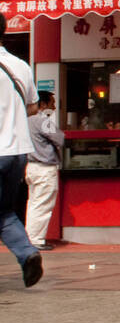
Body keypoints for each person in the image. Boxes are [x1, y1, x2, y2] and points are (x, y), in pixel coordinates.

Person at [0, 19, 42, 288]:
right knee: (3, 211)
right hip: (17, 152)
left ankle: (27, 254)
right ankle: (27, 254)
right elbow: (33, 107)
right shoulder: (19, 65)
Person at [24, 91, 63, 250]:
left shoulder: (25, 120)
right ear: (43, 104)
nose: (54, 107)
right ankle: (36, 240)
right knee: (42, 205)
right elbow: (60, 138)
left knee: (33, 203)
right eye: (52, 103)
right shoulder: (42, 120)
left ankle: (30, 237)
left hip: (31, 167)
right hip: (44, 168)